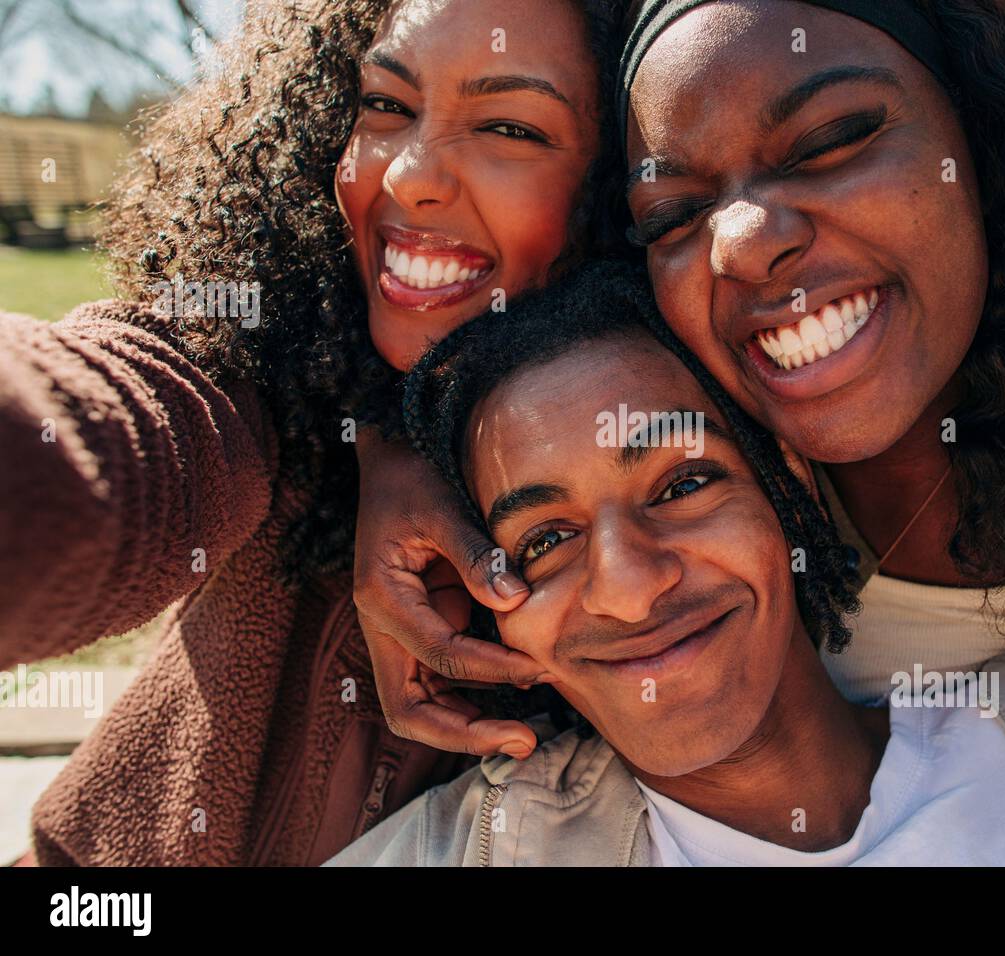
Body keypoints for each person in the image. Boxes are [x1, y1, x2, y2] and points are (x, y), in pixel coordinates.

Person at [358, 0, 1005, 762]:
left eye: (830, 142)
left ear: (983, 141)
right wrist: (383, 448)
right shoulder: (689, 473)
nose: (743, 242)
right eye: (675, 213)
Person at [330, 261, 1005, 867]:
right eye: (541, 540)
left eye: (679, 485)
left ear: (784, 484)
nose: (627, 584)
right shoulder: (462, 852)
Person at [0, 0, 627, 865]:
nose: (408, 176)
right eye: (386, 106)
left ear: (628, 182)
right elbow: (106, 428)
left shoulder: (713, 490)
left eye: (510, 126)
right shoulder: (266, 366)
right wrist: (379, 425)